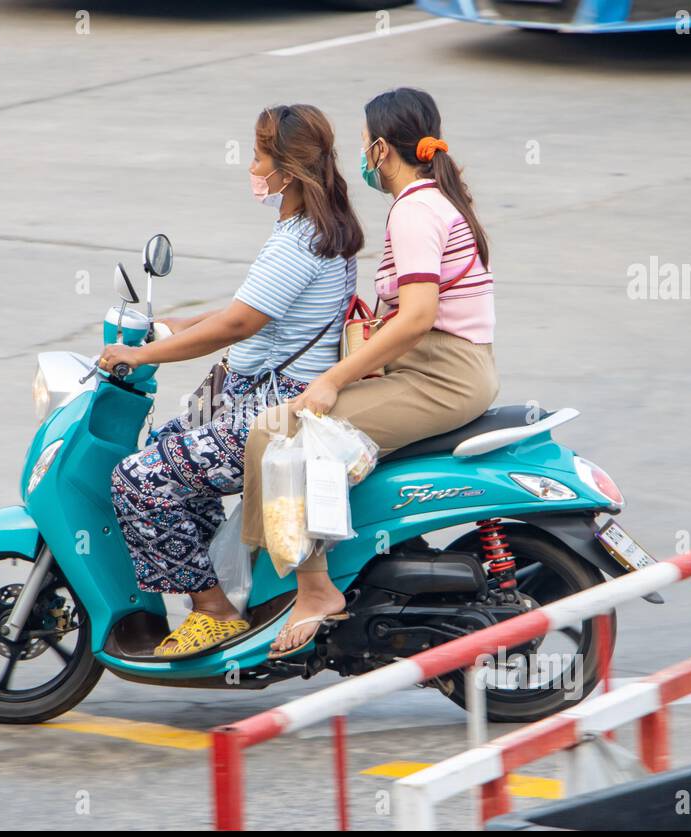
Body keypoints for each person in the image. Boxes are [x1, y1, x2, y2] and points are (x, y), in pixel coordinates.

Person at [240, 87, 500, 659]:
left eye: (364, 144)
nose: (360, 157)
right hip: (445, 369)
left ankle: (314, 590)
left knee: (278, 433)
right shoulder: (435, 199)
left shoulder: (414, 210)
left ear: (381, 149)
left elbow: (418, 317)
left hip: (439, 376)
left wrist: (332, 379)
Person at [100, 104, 362, 657]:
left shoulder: (299, 241)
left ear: (287, 171)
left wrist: (140, 355)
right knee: (164, 447)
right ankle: (227, 580)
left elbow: (240, 325)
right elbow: (253, 310)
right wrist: (178, 325)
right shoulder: (313, 227)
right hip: (256, 393)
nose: (252, 167)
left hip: (276, 408)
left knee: (137, 480)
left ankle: (215, 611)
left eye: (259, 157)